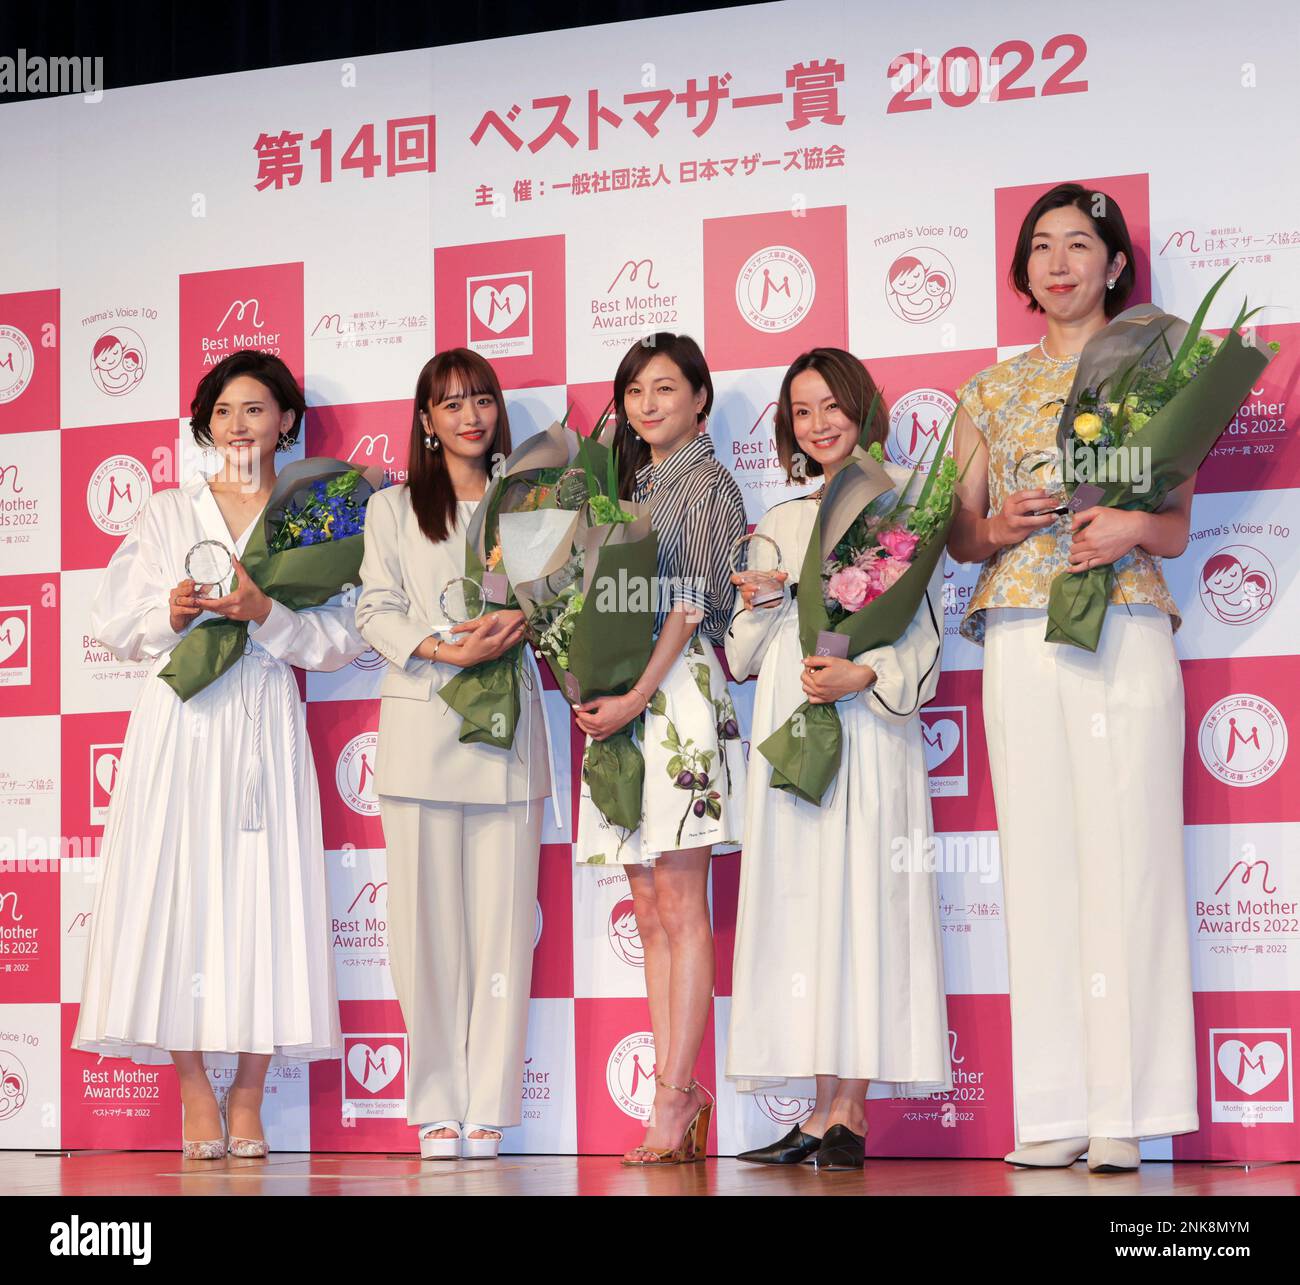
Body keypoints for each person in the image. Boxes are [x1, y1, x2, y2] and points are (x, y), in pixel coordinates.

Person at [947, 182, 1197, 1173]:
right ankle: (1051, 1106)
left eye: (1079, 245)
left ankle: (1125, 1109)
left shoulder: (1154, 373)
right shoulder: (988, 390)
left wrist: (1129, 523)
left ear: (1115, 264)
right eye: (1041, 247)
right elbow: (958, 534)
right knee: (1040, 864)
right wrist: (994, 526)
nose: (1058, 263)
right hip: (1019, 627)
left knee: (1130, 860)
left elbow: (1174, 528)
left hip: (1122, 621)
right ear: (1023, 271)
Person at [73, 349, 367, 1158]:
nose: (239, 424)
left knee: (265, 894)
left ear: (286, 421)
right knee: (178, 892)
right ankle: (195, 1089)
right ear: (205, 425)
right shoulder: (169, 510)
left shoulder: (312, 515)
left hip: (263, 716)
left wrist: (266, 611)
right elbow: (114, 620)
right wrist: (168, 612)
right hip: (180, 719)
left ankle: (249, 1093)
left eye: (256, 408)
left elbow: (341, 638)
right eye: (224, 411)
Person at [725, 348, 951, 1171]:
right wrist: (761, 602)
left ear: (861, 408)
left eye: (831, 405)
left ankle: (850, 1108)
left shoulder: (900, 504)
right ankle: (821, 1110)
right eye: (801, 411)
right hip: (793, 726)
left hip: (867, 730)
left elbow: (923, 637)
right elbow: (743, 655)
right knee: (804, 910)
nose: (818, 424)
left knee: (865, 904)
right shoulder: (780, 519)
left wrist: (868, 675)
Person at [356, 348, 561, 1161]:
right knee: (424, 934)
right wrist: (443, 649)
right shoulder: (393, 508)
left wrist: (526, 621)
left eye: (481, 399)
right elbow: (375, 608)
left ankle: (490, 1104)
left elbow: (563, 599)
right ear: (426, 422)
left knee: (503, 933)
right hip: (422, 733)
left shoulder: (534, 500)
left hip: (506, 735)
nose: (470, 416)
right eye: (451, 404)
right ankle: (437, 1102)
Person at [574, 332, 747, 1165]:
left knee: (680, 904)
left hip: (672, 698)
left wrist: (637, 694)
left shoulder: (708, 484)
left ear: (700, 398)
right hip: (624, 699)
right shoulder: (626, 488)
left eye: (666, 388)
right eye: (635, 391)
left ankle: (674, 1096)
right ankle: (676, 1091)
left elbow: (692, 604)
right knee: (646, 910)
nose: (647, 404)